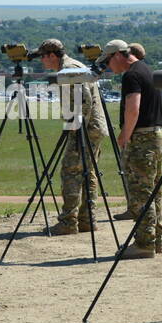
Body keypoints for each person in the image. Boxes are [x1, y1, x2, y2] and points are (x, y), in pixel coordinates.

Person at [99, 39, 162, 258]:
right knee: (153, 190)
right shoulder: (146, 69)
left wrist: (125, 135)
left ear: (118, 55)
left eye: (108, 60)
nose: (109, 66)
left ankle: (144, 243)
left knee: (140, 193)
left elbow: (132, 108)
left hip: (142, 137)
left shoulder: (131, 75)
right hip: (155, 135)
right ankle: (156, 239)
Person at [38, 38, 108, 235]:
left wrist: (77, 127)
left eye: (43, 57)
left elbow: (85, 100)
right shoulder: (73, 66)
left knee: (70, 171)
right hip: (91, 126)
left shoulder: (69, 70)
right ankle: (87, 219)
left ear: (52, 55)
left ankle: (69, 221)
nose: (42, 61)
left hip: (84, 127)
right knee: (88, 172)